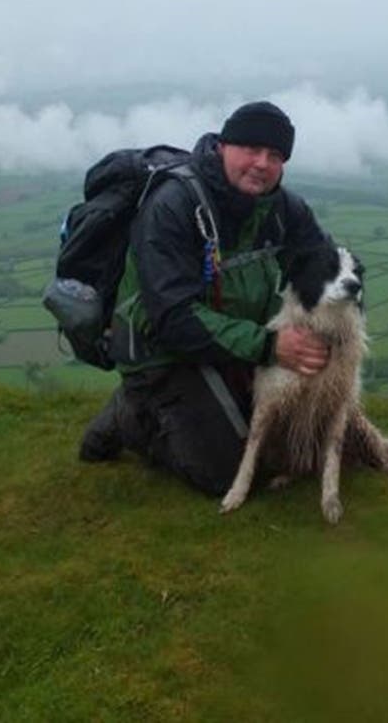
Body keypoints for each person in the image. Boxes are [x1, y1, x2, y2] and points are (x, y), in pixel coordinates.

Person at [79, 100, 331, 495]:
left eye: (275, 155)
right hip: (163, 352)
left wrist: (338, 317)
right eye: (251, 149)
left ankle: (196, 403)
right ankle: (132, 414)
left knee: (292, 446)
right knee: (230, 473)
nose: (262, 163)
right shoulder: (174, 206)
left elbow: (323, 264)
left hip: (234, 341)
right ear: (224, 146)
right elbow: (172, 318)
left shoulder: (281, 208)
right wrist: (270, 345)